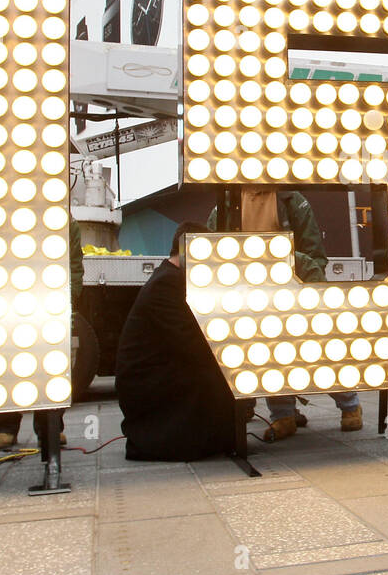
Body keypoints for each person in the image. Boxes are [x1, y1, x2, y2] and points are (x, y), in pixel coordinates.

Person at [208, 189, 361, 442]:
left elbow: (313, 250)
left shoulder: (292, 200)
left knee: (317, 349)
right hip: (249, 290)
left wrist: (310, 286)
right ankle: (283, 415)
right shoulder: (227, 201)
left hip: (294, 281)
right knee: (268, 353)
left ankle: (350, 404)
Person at [115, 221, 235, 461]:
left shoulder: (169, 277)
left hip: (155, 376)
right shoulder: (167, 283)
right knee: (216, 372)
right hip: (150, 384)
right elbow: (190, 342)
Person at [0, 218, 84, 450]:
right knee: (6, 364)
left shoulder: (63, 219)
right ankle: (5, 426)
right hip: (6, 298)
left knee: (49, 367)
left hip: (48, 299)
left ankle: (49, 428)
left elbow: (73, 263)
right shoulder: (1, 214)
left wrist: (68, 296)